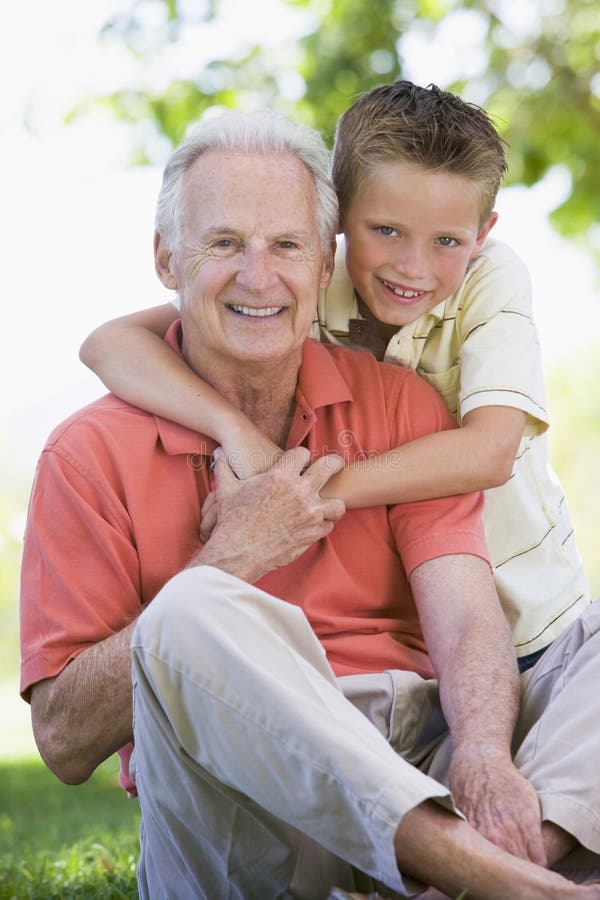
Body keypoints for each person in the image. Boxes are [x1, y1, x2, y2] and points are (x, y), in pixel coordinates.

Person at [20, 110, 600, 899]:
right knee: (190, 611)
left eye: (286, 246)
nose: (258, 276)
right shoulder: (86, 455)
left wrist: (485, 756)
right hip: (242, 812)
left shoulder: (402, 405)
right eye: (223, 243)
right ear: (166, 259)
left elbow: (467, 616)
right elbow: (60, 742)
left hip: (417, 751)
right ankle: (497, 879)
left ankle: (490, 866)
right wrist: (231, 557)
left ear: (321, 260)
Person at [80, 81, 590, 672]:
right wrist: (237, 433)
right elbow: (108, 344)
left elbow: (490, 452)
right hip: (417, 620)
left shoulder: (490, 279)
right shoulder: (304, 280)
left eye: (447, 240)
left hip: (528, 610)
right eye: (386, 231)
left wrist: (297, 495)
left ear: (482, 233)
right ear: (338, 216)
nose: (413, 266)